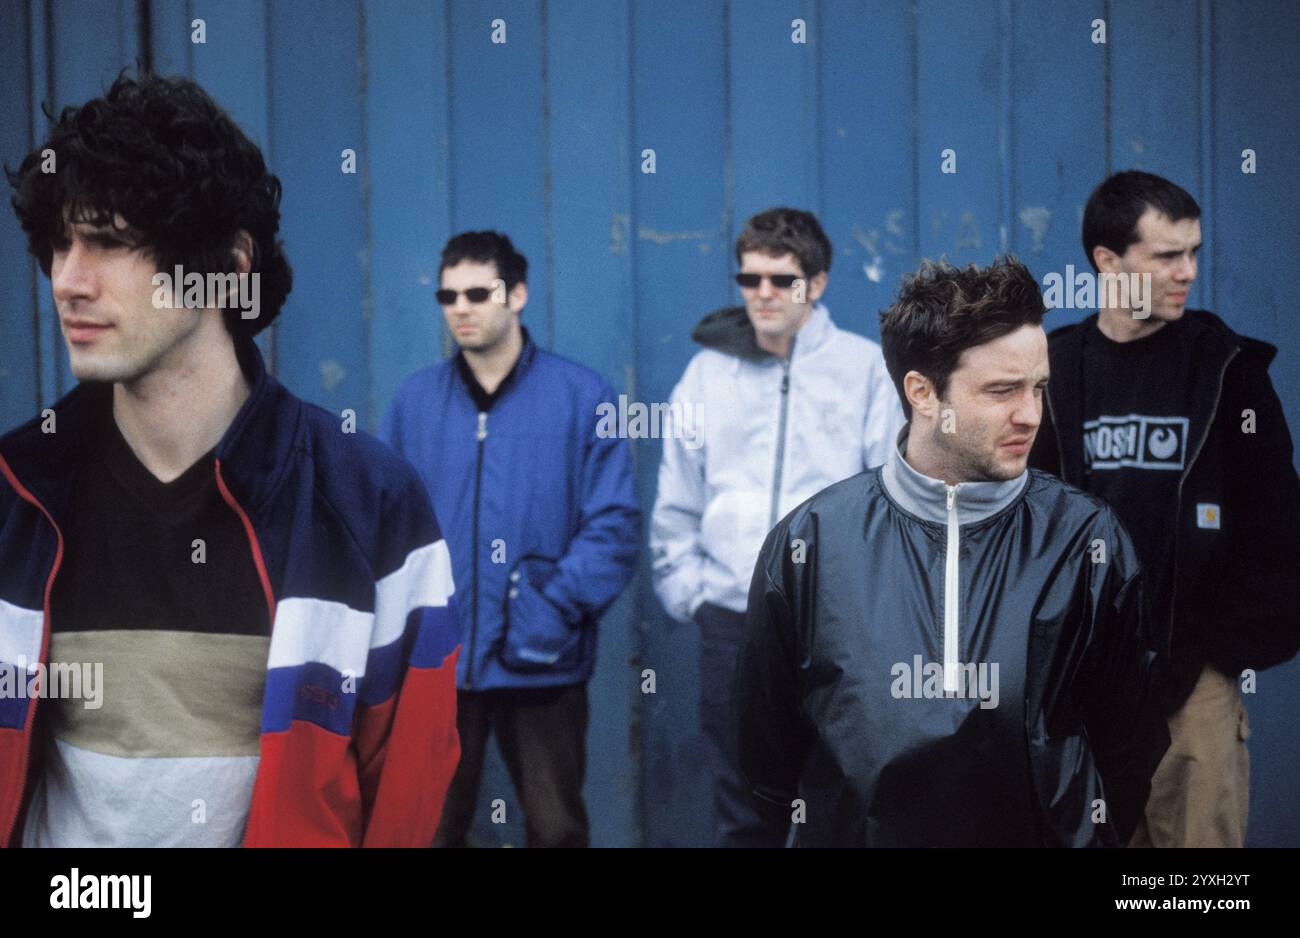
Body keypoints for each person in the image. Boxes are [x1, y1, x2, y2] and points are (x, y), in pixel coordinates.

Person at [0, 73, 460, 847]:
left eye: (109, 241)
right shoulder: (18, 492)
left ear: (230, 262)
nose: (68, 280)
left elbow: (406, 796)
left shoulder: (367, 503)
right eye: (59, 245)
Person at [736, 256, 1169, 847]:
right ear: (922, 391)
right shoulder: (812, 545)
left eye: (1039, 387)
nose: (1031, 415)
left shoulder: (1086, 542)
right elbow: (766, 757)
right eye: (1001, 390)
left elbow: (1129, 745)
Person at [1029, 170, 1300, 847]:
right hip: (1082, 685)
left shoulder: (1225, 368)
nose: (1188, 272)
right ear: (1107, 261)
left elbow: (1276, 523)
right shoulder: (1054, 371)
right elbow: (1022, 522)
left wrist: (1220, 650)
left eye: (1194, 252)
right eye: (1167, 255)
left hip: (1193, 685)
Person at [650, 207, 904, 846]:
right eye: (750, 278)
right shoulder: (709, 373)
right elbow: (676, 500)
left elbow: (889, 498)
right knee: (741, 799)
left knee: (836, 796)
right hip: (731, 622)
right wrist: (693, 592)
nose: (761, 293)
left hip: (832, 628)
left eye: (780, 279)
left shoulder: (864, 369)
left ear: (816, 284)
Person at [381, 231, 640, 848]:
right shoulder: (415, 403)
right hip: (438, 662)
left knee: (555, 829)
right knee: (431, 829)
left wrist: (546, 608)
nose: (461, 307)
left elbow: (614, 527)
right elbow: (382, 527)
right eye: (448, 294)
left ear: (517, 294)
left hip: (542, 662)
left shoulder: (582, 397)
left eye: (478, 292)